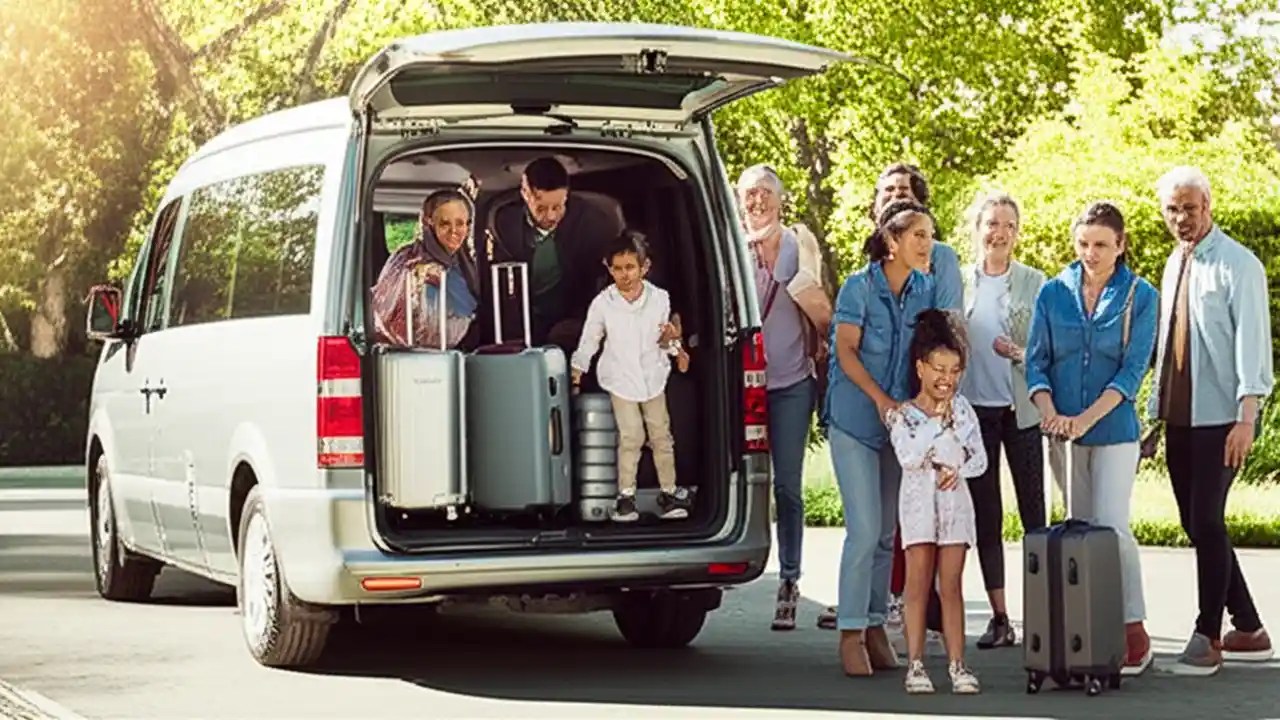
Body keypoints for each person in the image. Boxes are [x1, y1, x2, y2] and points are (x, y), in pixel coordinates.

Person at [1146, 166, 1275, 675]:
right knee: (1197, 524)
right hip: (1180, 419)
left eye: (1190, 208)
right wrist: (1155, 418)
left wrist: (1247, 418)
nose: (1181, 218)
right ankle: (1249, 627)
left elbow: (1252, 347)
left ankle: (1207, 634)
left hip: (1224, 419)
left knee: (1206, 520)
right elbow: (1167, 348)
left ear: (1209, 206)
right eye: (1173, 209)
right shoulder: (1173, 263)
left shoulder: (1239, 266)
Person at [1024, 200, 1159, 676]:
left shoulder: (1140, 296)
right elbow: (1036, 361)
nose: (1091, 253)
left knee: (1112, 525)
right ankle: (1083, 633)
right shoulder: (1053, 291)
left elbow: (1132, 371)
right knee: (1078, 526)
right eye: (1083, 243)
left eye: (1101, 244)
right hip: (1061, 433)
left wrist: (1085, 419)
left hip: (1114, 430)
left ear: (1120, 245)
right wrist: (1051, 412)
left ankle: (1132, 630)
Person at [825, 199, 939, 676]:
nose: (926, 244)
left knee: (888, 534)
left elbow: (929, 352)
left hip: (900, 427)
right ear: (892, 243)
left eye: (930, 236)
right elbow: (846, 351)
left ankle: (874, 625)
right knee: (865, 527)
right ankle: (850, 631)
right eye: (917, 236)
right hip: (854, 419)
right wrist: (879, 399)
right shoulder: (858, 287)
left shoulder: (926, 289)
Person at [735, 164, 833, 631]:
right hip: (743, 385)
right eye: (750, 195)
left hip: (792, 382)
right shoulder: (732, 246)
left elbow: (819, 304)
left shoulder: (799, 244)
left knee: (787, 486)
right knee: (743, 481)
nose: (757, 202)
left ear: (780, 199)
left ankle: (789, 580)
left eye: (765, 194)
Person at [959, 190, 1048, 649]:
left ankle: (1044, 616)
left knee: (1035, 515)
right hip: (975, 415)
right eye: (993, 223)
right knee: (986, 518)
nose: (1000, 233)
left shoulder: (1036, 283)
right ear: (978, 229)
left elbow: (1052, 350)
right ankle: (999, 618)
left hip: (1023, 414)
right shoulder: (958, 281)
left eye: (1009, 225)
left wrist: (1021, 354)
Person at [886, 309, 986, 694]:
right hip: (917, 506)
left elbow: (979, 458)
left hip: (954, 506)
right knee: (917, 583)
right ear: (921, 369)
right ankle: (915, 665)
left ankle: (958, 664)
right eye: (939, 369)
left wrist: (955, 466)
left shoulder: (964, 410)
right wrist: (939, 428)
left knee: (952, 585)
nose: (947, 379)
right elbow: (910, 457)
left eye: (954, 370)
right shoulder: (903, 416)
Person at [570, 230, 694, 522]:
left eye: (630, 267)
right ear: (608, 268)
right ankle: (626, 496)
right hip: (621, 378)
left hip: (653, 375)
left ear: (644, 267)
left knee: (661, 435)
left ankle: (668, 492)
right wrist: (578, 370)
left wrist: (677, 350)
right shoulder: (603, 303)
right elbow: (590, 339)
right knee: (631, 436)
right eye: (618, 268)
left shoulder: (659, 299)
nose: (624, 275)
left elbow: (665, 335)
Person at [488, 156, 616, 349]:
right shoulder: (504, 222)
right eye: (541, 208)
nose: (551, 216)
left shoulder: (593, 222)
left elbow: (616, 273)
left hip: (574, 316)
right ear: (525, 193)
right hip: (524, 318)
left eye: (557, 207)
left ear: (566, 195)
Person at [371, 188, 479, 349]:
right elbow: (389, 318)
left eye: (460, 223)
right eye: (444, 224)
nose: (454, 231)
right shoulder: (406, 260)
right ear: (429, 223)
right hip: (414, 356)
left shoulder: (465, 262)